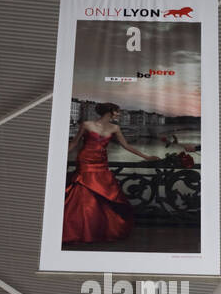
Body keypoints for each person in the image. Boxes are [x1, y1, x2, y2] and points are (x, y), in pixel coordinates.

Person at [62, 104, 158, 244]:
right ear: (110, 112)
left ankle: (97, 228)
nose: (118, 114)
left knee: (103, 193)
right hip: (85, 160)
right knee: (83, 193)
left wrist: (147, 157)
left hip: (101, 162)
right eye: (117, 112)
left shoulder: (115, 128)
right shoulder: (87, 124)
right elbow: (74, 143)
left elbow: (126, 146)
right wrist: (59, 155)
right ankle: (79, 229)